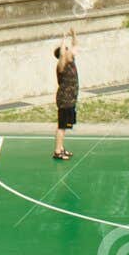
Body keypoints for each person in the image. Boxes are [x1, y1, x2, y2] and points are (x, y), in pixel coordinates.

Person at [53, 28, 79, 161]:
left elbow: (76, 46)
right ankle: (57, 151)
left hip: (71, 100)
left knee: (65, 126)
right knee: (61, 126)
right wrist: (63, 38)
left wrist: (73, 35)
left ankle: (61, 148)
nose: (69, 51)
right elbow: (63, 53)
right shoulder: (61, 65)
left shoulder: (71, 60)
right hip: (64, 99)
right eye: (66, 50)